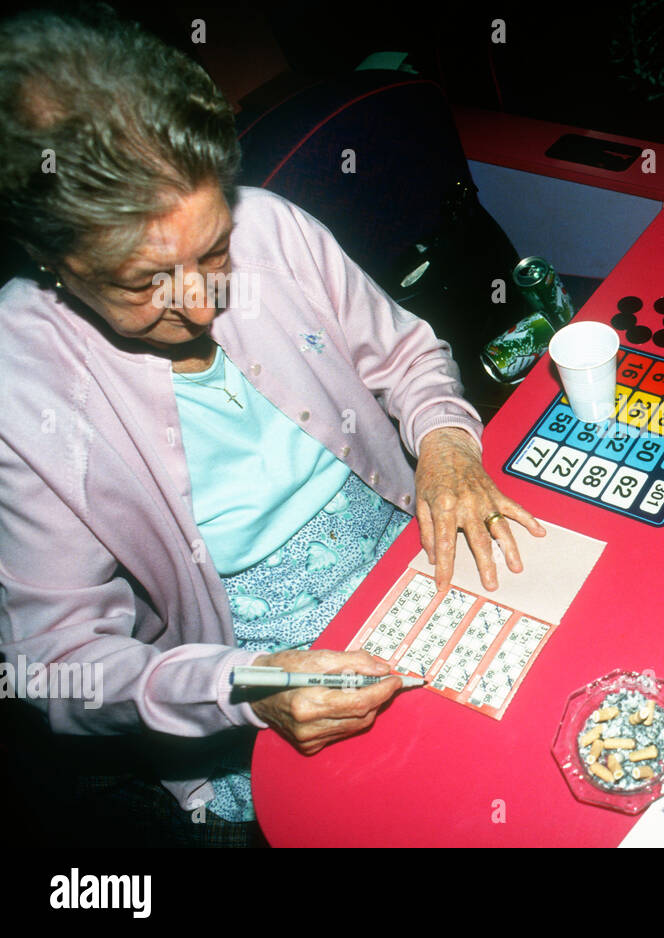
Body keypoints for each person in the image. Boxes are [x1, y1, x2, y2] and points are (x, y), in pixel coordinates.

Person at [0, 8, 544, 844]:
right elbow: (57, 667)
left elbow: (407, 356)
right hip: (233, 653)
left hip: (404, 542)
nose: (198, 304)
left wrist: (443, 441)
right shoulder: (19, 377)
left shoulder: (271, 224)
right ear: (53, 258)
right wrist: (245, 684)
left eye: (213, 251)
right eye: (143, 281)